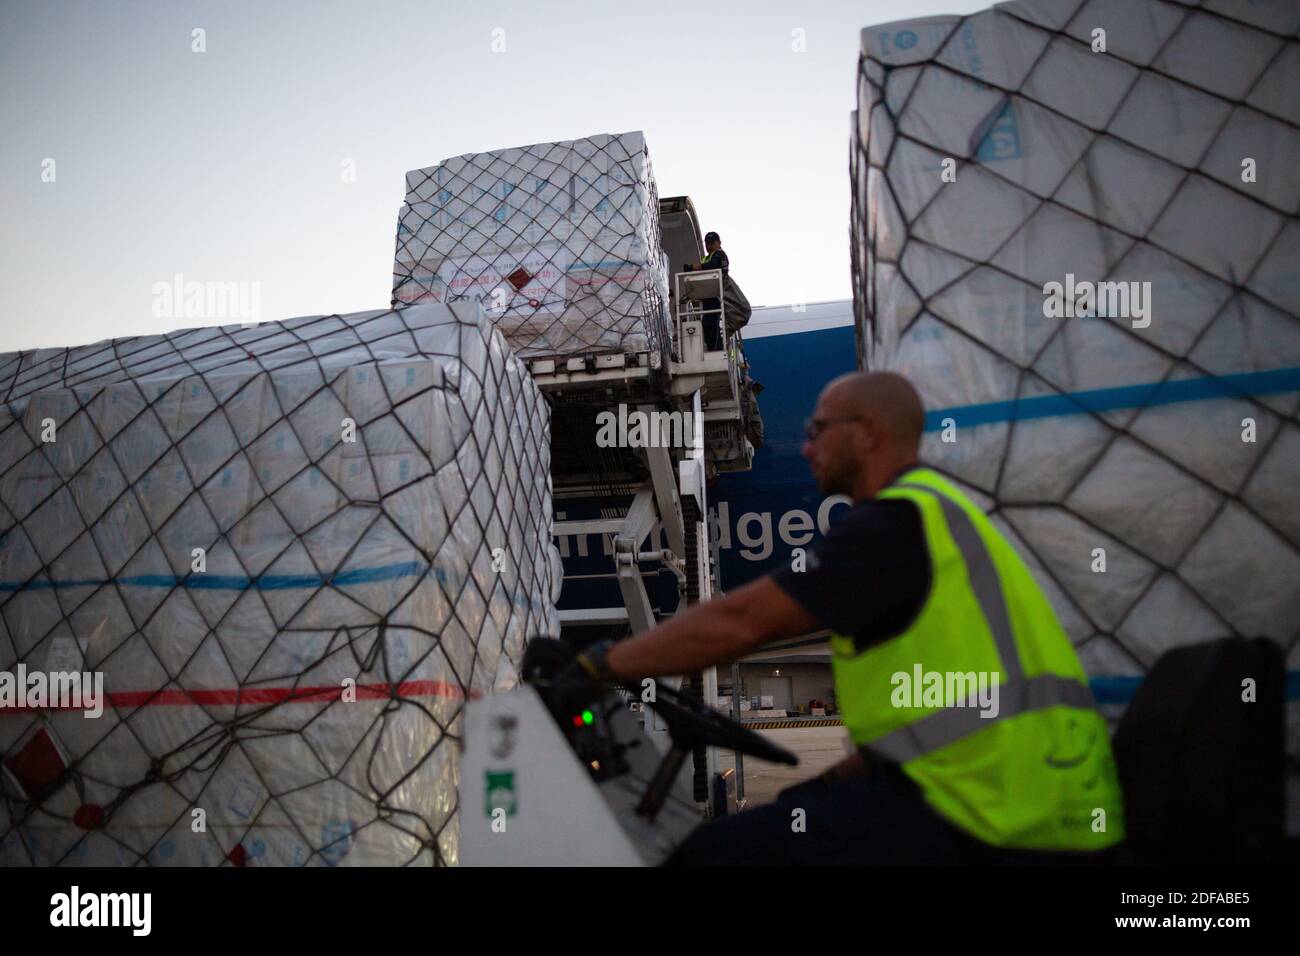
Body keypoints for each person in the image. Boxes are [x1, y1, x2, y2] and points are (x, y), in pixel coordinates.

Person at [558, 371, 1126, 865]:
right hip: (1030, 807)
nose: (806, 448)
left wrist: (598, 662)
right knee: (789, 820)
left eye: (817, 431)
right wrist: (830, 780)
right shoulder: (940, 517)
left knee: (708, 855)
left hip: (988, 822)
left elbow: (740, 622)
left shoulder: (895, 525)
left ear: (868, 432)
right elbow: (928, 727)